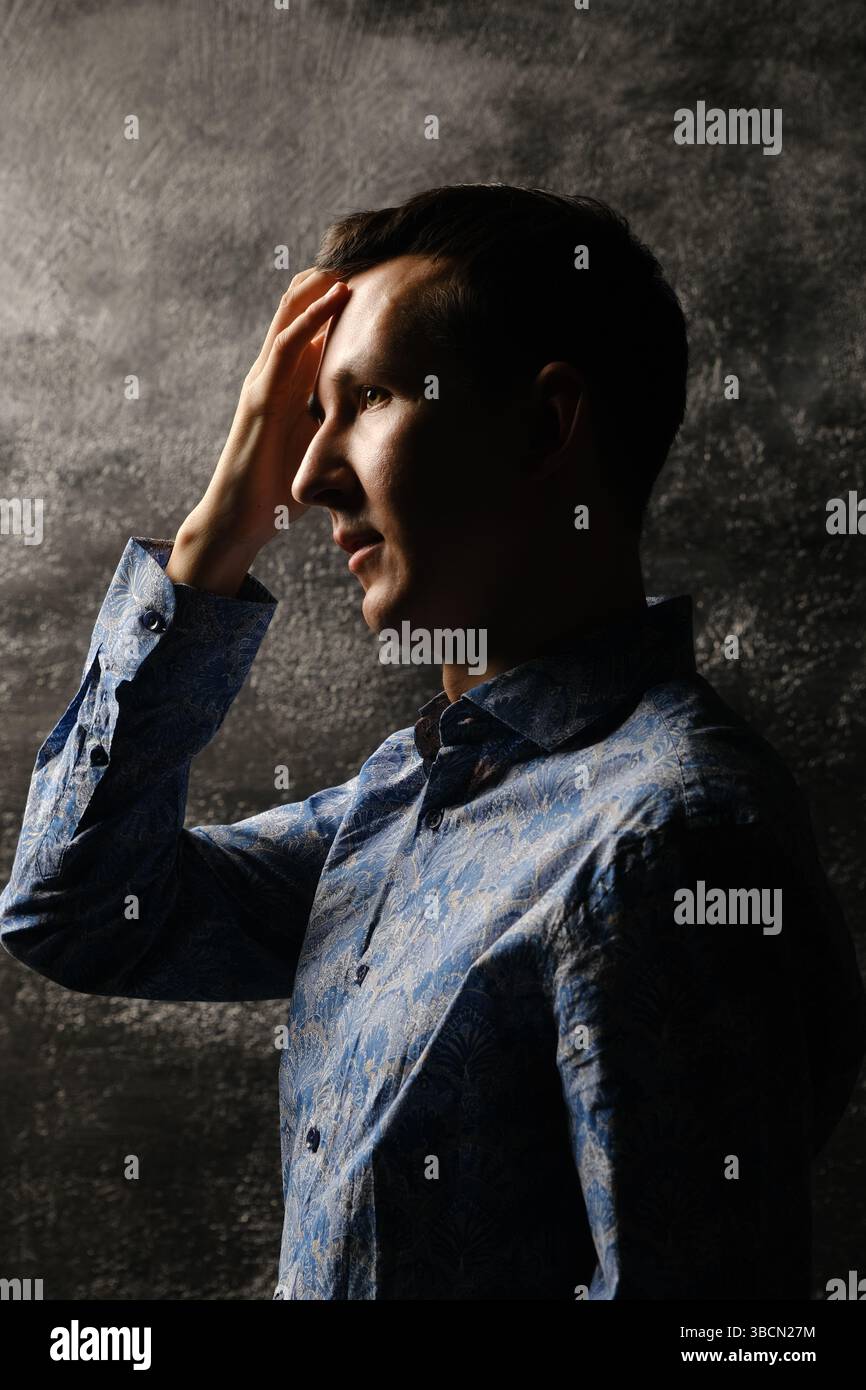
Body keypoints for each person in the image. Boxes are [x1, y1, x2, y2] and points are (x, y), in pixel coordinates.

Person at [2, 183, 864, 1300]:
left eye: (363, 400)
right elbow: (76, 915)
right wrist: (217, 533)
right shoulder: (411, 792)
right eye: (304, 419)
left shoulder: (666, 834)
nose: (305, 478)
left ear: (545, 427)